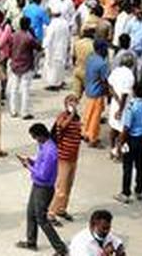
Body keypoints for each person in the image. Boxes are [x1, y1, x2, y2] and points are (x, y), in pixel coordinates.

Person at [16, 123, 68, 253]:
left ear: (40, 136)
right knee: (30, 213)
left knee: (41, 218)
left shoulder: (50, 151)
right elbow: (41, 166)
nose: (35, 140)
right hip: (38, 185)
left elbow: (43, 175)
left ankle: (60, 248)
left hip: (43, 188)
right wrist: (32, 162)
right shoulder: (44, 146)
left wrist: (28, 166)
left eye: (35, 137)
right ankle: (31, 241)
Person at [114, 82, 142, 204]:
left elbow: (126, 127)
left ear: (134, 92)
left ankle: (125, 193)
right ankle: (139, 190)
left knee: (128, 166)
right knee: (140, 164)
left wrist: (120, 141)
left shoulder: (131, 107)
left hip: (132, 138)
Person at [49, 94, 84, 223]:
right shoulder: (63, 116)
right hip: (63, 157)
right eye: (71, 101)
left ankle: (61, 209)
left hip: (73, 157)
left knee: (69, 185)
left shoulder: (77, 118)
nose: (74, 103)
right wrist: (71, 113)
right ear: (66, 104)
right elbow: (62, 126)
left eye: (75, 101)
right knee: (61, 187)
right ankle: (51, 212)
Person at [7, 17, 40, 119]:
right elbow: (38, 47)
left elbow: (10, 48)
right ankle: (24, 112)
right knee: (25, 89)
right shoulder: (28, 38)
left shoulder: (13, 35)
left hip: (15, 64)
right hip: (26, 65)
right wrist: (33, 34)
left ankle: (13, 110)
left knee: (14, 89)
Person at [82, 40, 111, 145]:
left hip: (89, 89)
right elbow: (105, 80)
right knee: (96, 116)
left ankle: (85, 132)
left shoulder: (90, 58)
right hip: (97, 92)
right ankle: (92, 137)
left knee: (88, 113)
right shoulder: (103, 63)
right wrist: (109, 93)